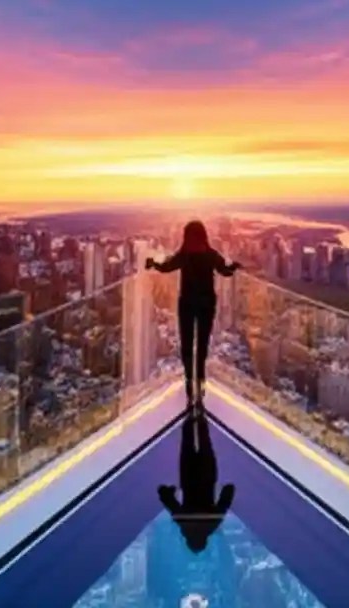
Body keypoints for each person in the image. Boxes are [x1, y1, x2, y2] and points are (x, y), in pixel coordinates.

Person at [145, 220, 241, 405]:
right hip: (206, 305)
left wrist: (153, 264)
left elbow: (166, 267)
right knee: (202, 345)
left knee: (188, 346)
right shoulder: (211, 255)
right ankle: (200, 380)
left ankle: (190, 381)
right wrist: (234, 266)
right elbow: (225, 271)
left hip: (187, 305)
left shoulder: (185, 255)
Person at [157, 411, 236, 554]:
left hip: (208, 475)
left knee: (205, 439)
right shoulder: (184, 523)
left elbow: (227, 496)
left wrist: (226, 489)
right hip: (188, 475)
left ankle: (200, 414)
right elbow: (167, 499)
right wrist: (168, 491)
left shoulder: (212, 524)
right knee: (187, 439)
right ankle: (189, 413)